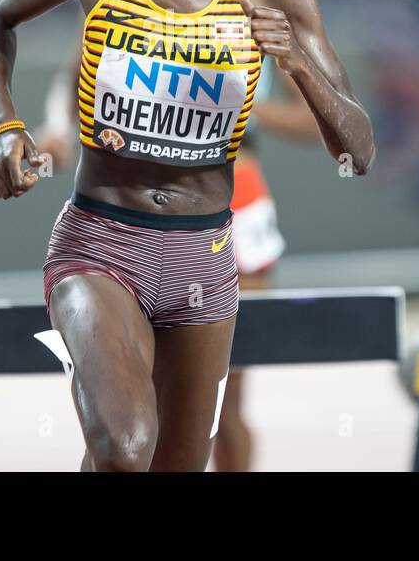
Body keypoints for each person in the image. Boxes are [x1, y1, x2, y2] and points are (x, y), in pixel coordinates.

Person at [0, 0, 376, 472]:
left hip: (205, 254)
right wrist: (5, 125)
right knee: (127, 446)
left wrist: (301, 66)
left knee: (177, 465)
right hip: (101, 242)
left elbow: (359, 148)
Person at [33, 45, 318, 472]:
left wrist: (244, 107)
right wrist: (58, 127)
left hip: (234, 200)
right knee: (126, 411)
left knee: (223, 403)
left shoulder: (259, 4)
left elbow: (314, 121)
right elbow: (76, 69)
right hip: (136, 210)